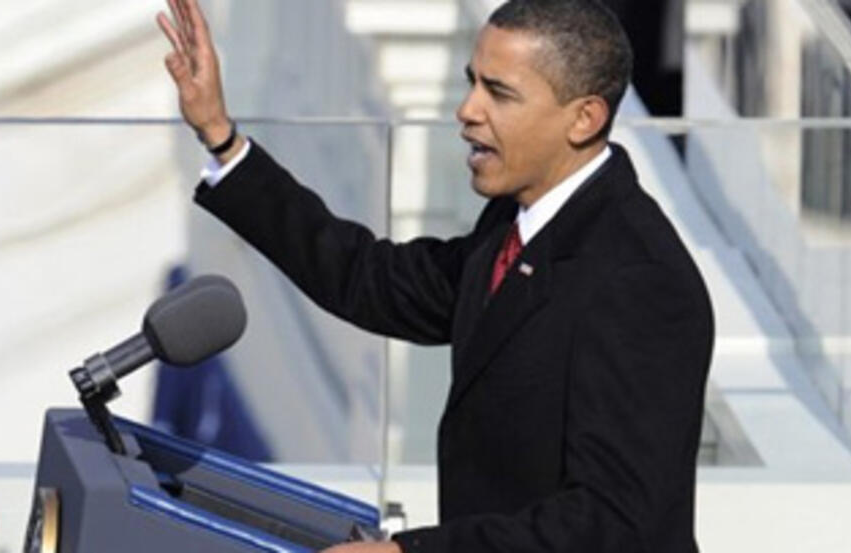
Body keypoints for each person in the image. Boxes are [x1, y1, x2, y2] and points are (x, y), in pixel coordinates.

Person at [156, 0, 714, 551]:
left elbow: (613, 521)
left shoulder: (641, 281)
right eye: (472, 83)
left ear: (584, 117)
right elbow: (369, 279)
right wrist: (222, 139)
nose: (467, 110)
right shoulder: (515, 222)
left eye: (499, 93)